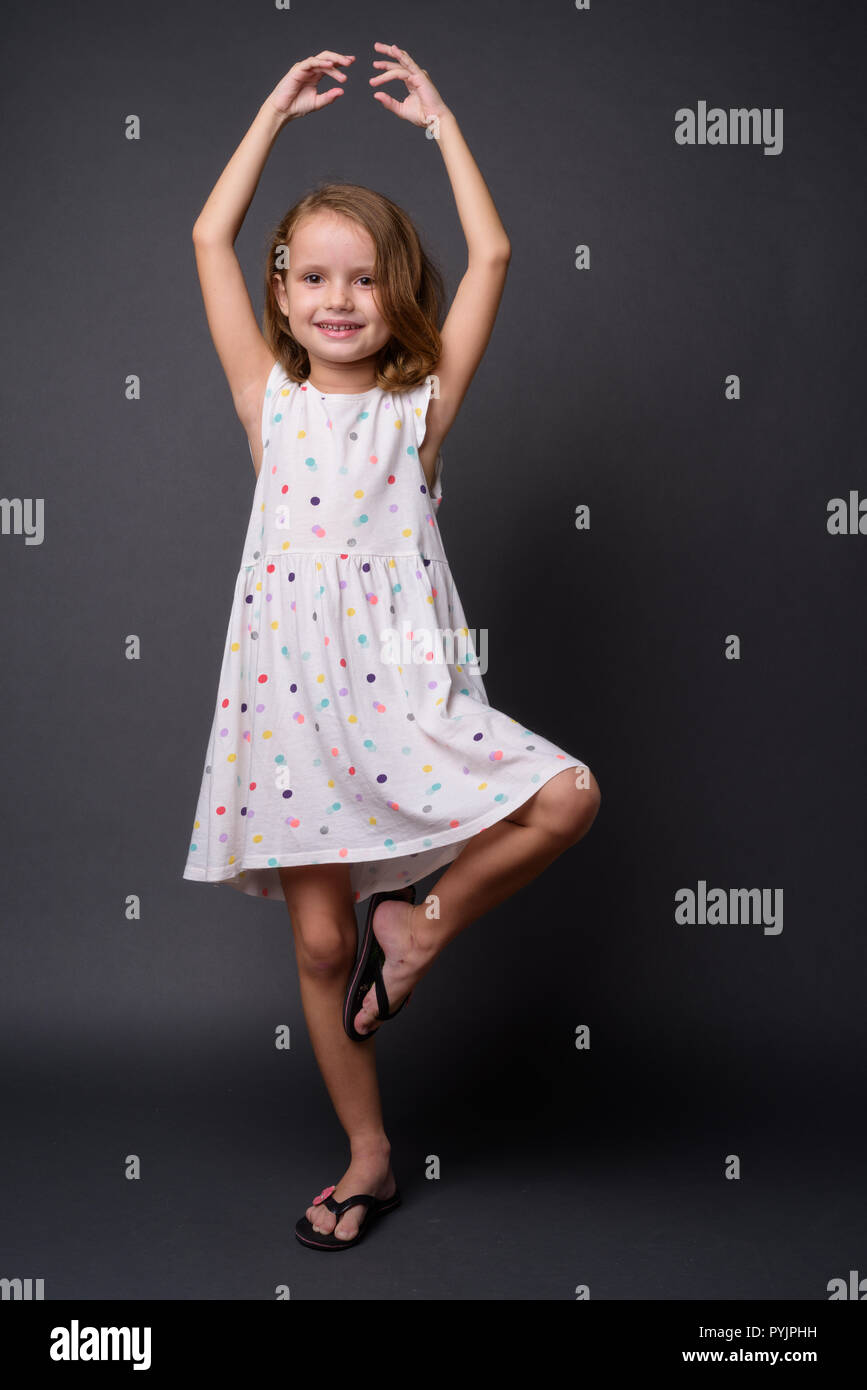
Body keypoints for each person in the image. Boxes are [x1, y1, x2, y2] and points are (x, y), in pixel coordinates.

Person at [183, 43, 601, 1250]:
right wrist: (267, 112)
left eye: (364, 280)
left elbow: (500, 255)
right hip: (294, 707)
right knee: (317, 939)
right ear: (281, 292)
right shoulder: (272, 402)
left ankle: (416, 924)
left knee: (567, 798)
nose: (338, 299)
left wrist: (443, 125)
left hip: (409, 696)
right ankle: (370, 1158)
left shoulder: (421, 411)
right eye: (313, 277)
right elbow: (210, 239)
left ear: (396, 292)